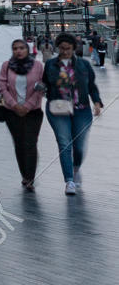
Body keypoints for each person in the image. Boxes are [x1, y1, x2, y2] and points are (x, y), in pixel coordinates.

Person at [42, 32, 104, 195]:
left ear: (73, 48)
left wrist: (96, 102)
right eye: (62, 49)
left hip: (81, 109)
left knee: (79, 146)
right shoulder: (50, 65)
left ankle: (76, 168)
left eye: (68, 49)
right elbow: (45, 83)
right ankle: (69, 180)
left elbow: (91, 85)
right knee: (64, 143)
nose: (65, 52)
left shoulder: (84, 65)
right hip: (58, 107)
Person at [0, 38, 45, 191]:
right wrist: (15, 105)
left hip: (33, 111)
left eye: (21, 48)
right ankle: (24, 174)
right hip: (12, 111)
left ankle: (30, 176)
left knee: (30, 143)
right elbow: (3, 87)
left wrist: (28, 105)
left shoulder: (37, 66)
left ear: (28, 49)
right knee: (19, 144)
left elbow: (41, 87)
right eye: (15, 48)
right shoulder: (6, 66)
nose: (18, 51)